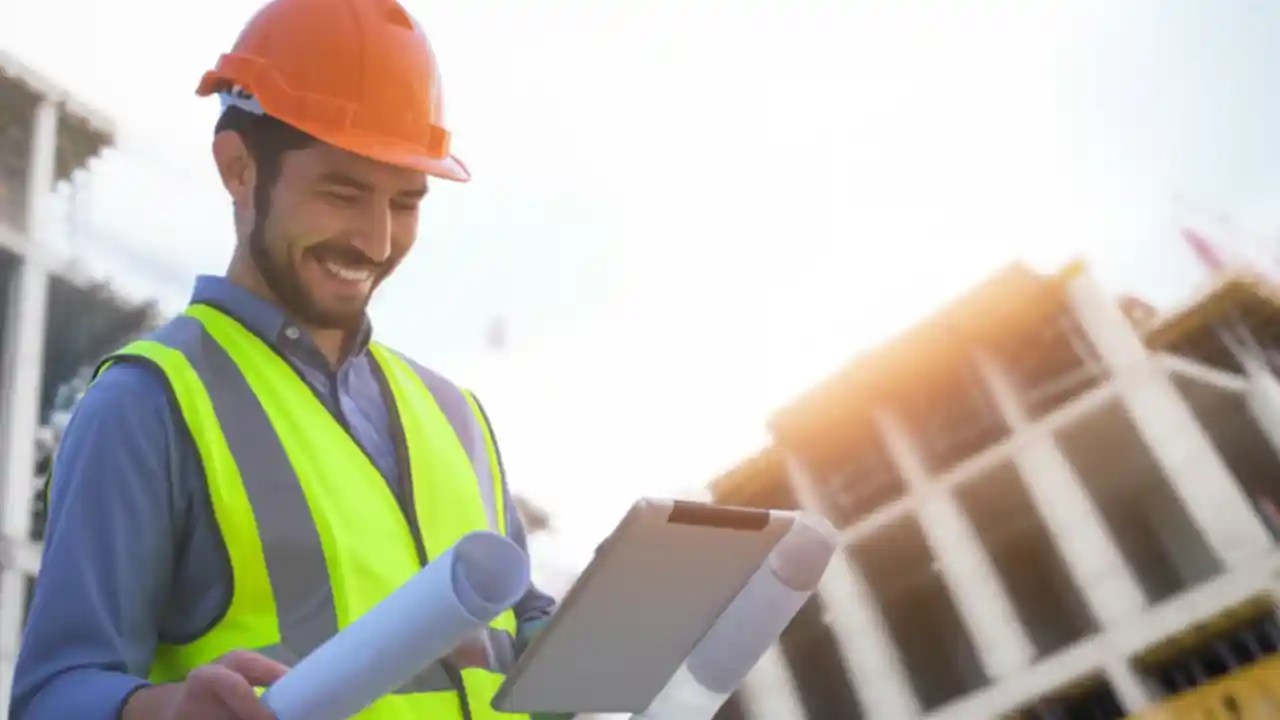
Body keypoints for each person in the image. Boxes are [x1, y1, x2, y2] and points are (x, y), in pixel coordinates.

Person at [10, 0, 558, 718]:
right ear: (239, 169)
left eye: (406, 203)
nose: (376, 239)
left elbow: (526, 649)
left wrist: (637, 629)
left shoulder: (456, 416)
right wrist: (166, 710)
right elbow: (53, 696)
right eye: (342, 191)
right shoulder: (150, 404)